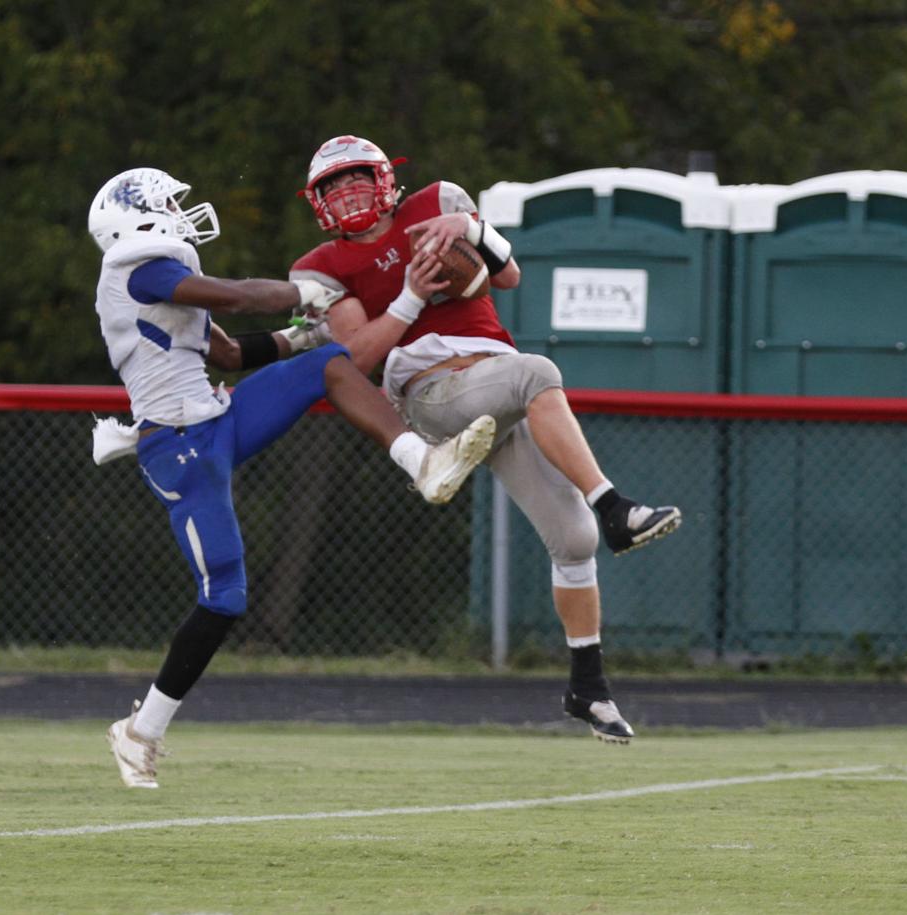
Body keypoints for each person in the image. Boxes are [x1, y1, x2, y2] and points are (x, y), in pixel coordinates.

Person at [88, 167, 498, 788]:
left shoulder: (162, 277)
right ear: (135, 216)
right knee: (225, 596)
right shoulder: (137, 268)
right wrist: (303, 293)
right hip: (175, 447)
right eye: (170, 203)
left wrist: (305, 333)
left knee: (328, 362)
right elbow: (232, 297)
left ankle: (423, 461)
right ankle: (141, 729)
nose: (182, 211)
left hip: (215, 420)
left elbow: (228, 354)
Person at [290, 136, 683, 744]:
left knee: (574, 542)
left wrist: (470, 227)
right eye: (333, 188)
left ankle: (589, 689)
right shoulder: (320, 268)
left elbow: (509, 276)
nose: (348, 196)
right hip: (430, 388)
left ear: (386, 179)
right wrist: (411, 296)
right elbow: (358, 355)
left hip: (493, 381)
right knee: (539, 372)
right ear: (318, 202)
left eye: (356, 180)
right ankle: (616, 506)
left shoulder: (439, 201)